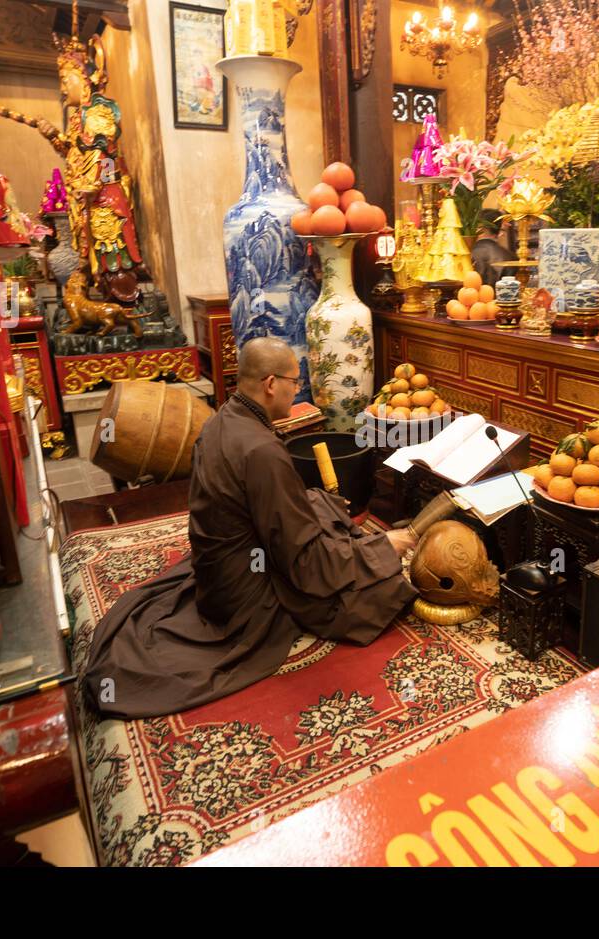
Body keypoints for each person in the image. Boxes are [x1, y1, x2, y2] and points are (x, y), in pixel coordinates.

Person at [82, 337, 418, 719]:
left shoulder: (223, 418)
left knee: (321, 507)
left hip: (218, 572)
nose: (298, 389)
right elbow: (304, 561)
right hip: (246, 592)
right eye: (295, 381)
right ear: (271, 384)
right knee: (378, 590)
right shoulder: (261, 450)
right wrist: (382, 548)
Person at [470, 210, 515, 288]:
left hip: (469, 298)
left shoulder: (467, 255)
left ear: (480, 227)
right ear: (499, 228)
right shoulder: (511, 258)